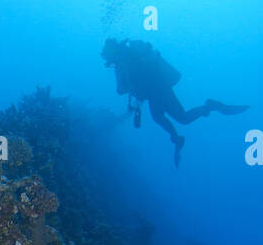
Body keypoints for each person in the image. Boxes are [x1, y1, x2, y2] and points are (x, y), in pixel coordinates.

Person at [101, 38, 248, 166]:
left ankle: (205, 112)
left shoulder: (123, 62)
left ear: (112, 51)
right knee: (176, 118)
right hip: (159, 89)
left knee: (173, 118)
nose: (107, 59)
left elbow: (121, 89)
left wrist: (120, 74)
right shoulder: (127, 57)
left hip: (156, 90)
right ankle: (183, 133)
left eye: (107, 55)